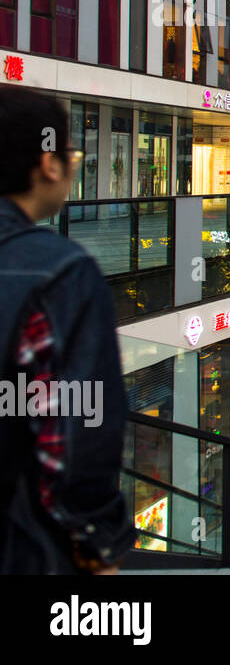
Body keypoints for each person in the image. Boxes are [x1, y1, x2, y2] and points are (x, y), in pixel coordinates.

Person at [0, 89, 134, 574]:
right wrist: (96, 541)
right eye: (71, 154)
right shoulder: (62, 274)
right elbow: (79, 428)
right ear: (48, 164)